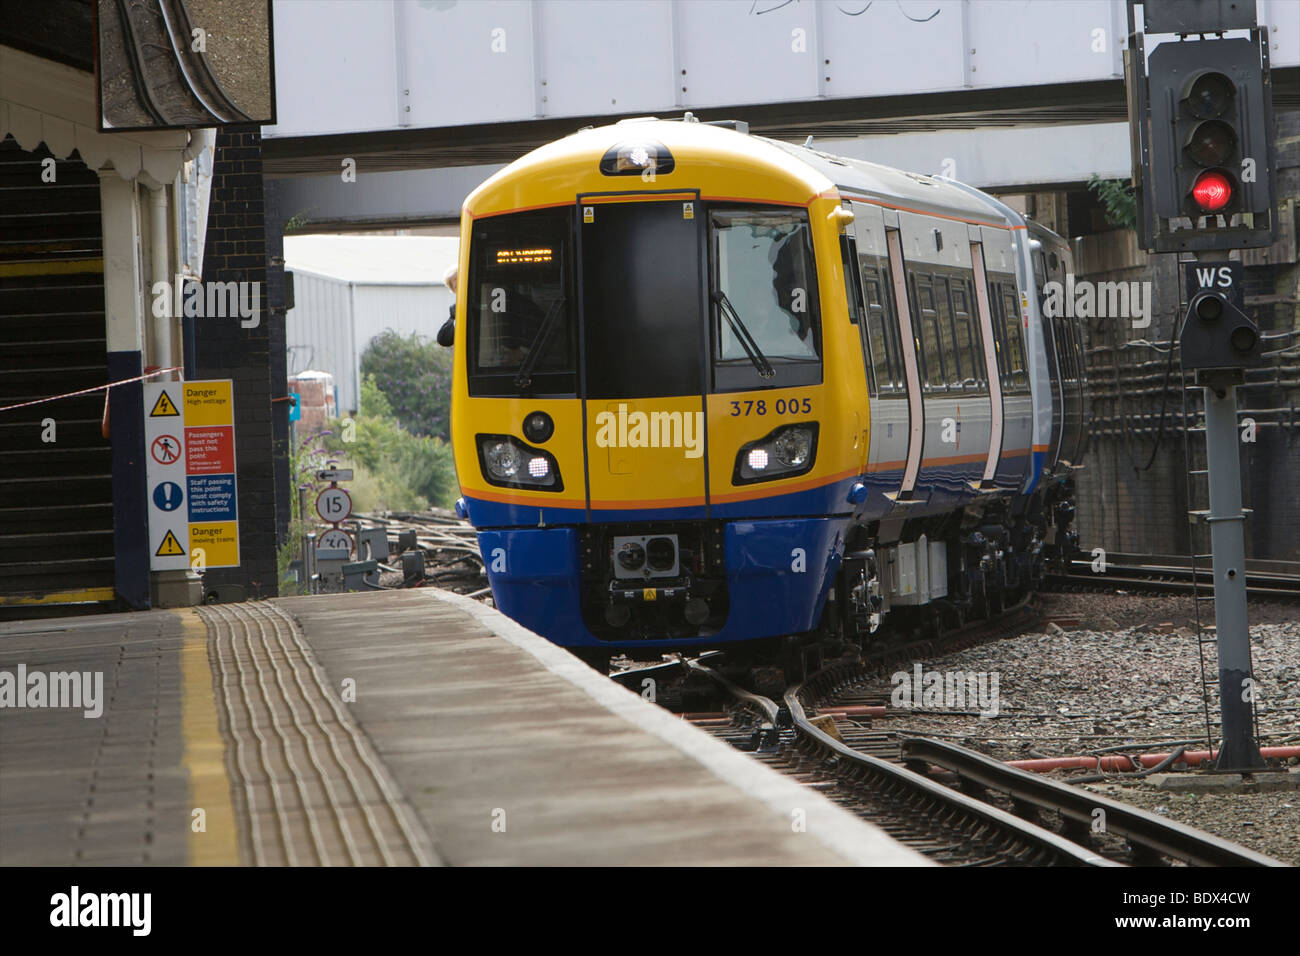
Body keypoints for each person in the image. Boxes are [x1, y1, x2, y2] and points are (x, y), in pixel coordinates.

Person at [436, 263, 457, 347]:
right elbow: (443, 339)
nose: (456, 283)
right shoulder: (456, 311)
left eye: (457, 279)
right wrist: (458, 318)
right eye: (456, 287)